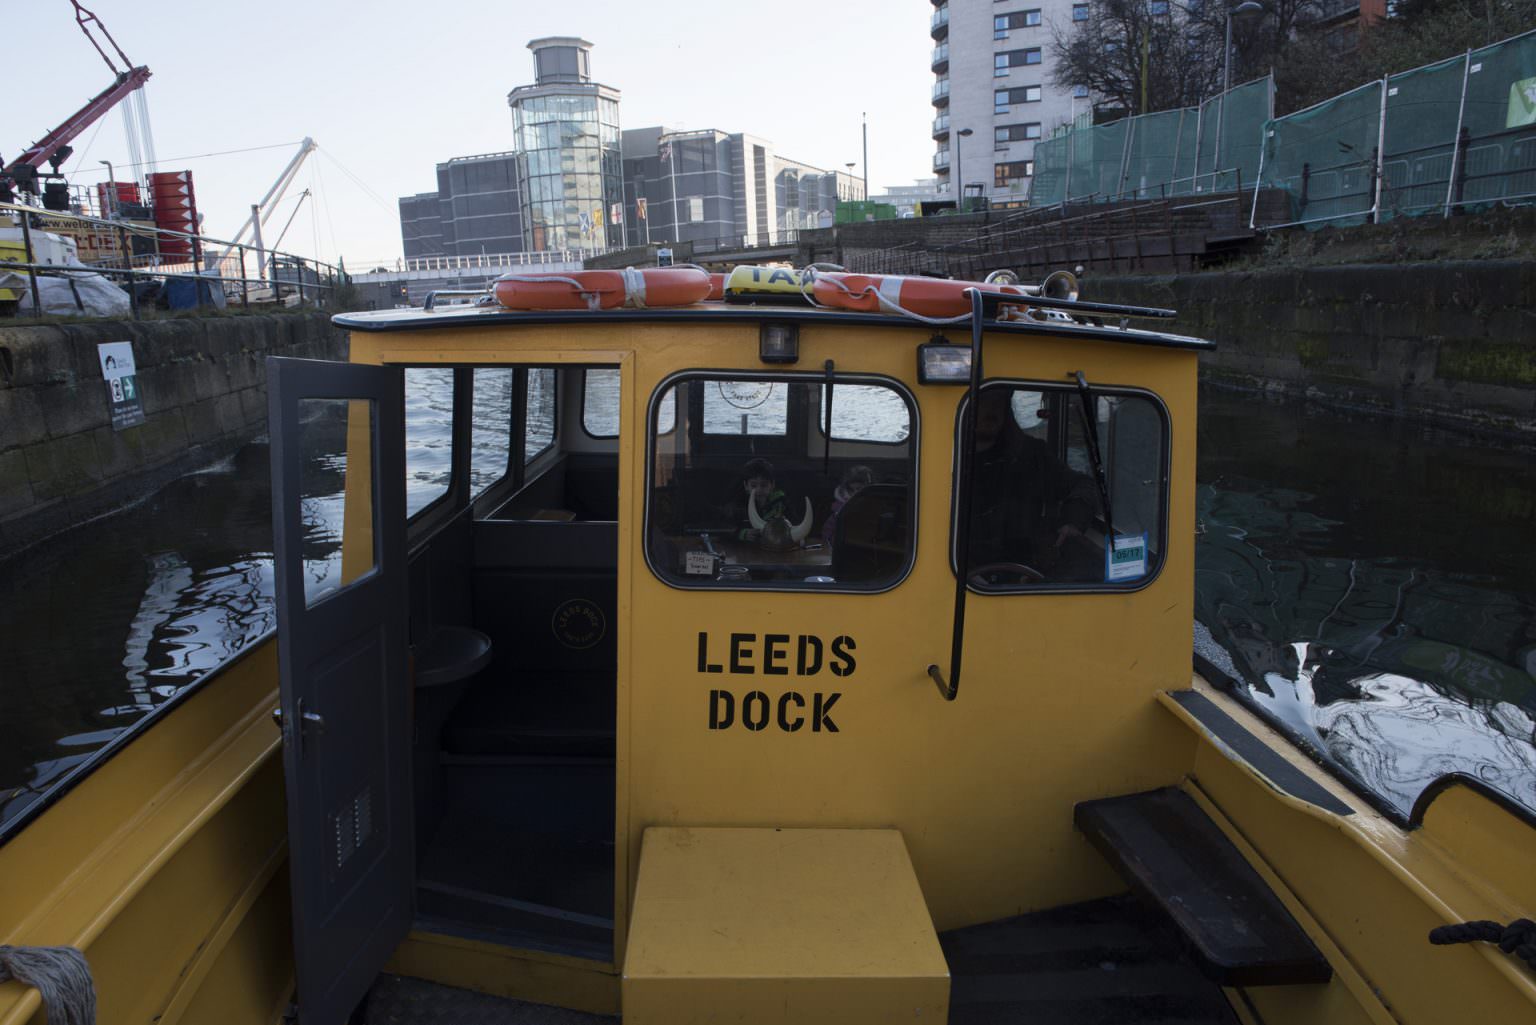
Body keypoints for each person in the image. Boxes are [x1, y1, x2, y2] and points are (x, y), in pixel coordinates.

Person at [966, 388, 1100, 580]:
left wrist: (1072, 521)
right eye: (984, 400)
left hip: (1025, 577)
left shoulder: (1032, 455)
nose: (992, 408)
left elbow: (1084, 485)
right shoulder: (946, 458)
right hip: (959, 575)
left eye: (999, 401)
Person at [735, 457, 786, 542]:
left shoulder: (782, 502)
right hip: (748, 551)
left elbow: (794, 523)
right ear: (746, 486)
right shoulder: (739, 505)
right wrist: (743, 534)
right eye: (753, 485)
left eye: (764, 485)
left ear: (772, 485)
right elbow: (728, 529)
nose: (758, 490)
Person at [822, 464, 874, 545]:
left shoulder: (873, 506)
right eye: (851, 490)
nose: (855, 493)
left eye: (859, 489)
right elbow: (828, 530)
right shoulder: (839, 509)